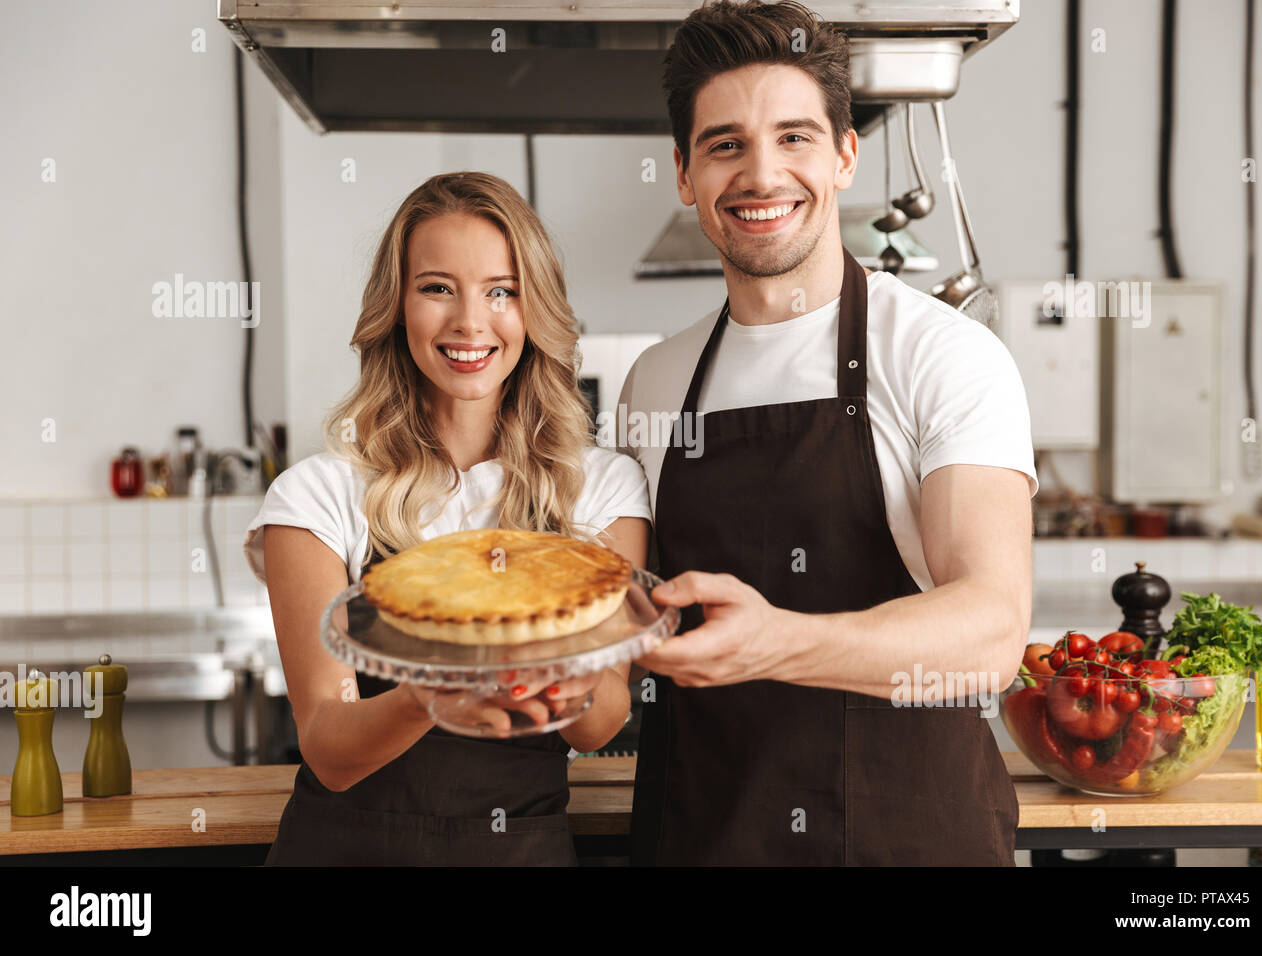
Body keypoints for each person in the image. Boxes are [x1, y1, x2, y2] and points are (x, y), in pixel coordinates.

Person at [620, 0, 1038, 865]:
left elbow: (992, 633)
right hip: (705, 837)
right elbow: (633, 616)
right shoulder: (655, 381)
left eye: (796, 137)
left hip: (905, 838)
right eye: (725, 143)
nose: (762, 175)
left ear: (847, 155)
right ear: (683, 171)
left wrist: (782, 642)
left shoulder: (944, 355)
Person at [243, 171, 651, 865]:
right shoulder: (317, 496)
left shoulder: (601, 488)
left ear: (535, 310)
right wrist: (428, 698)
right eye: (437, 288)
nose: (470, 322)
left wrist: (572, 680)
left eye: (502, 291)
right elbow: (329, 746)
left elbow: (603, 720)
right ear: (397, 307)